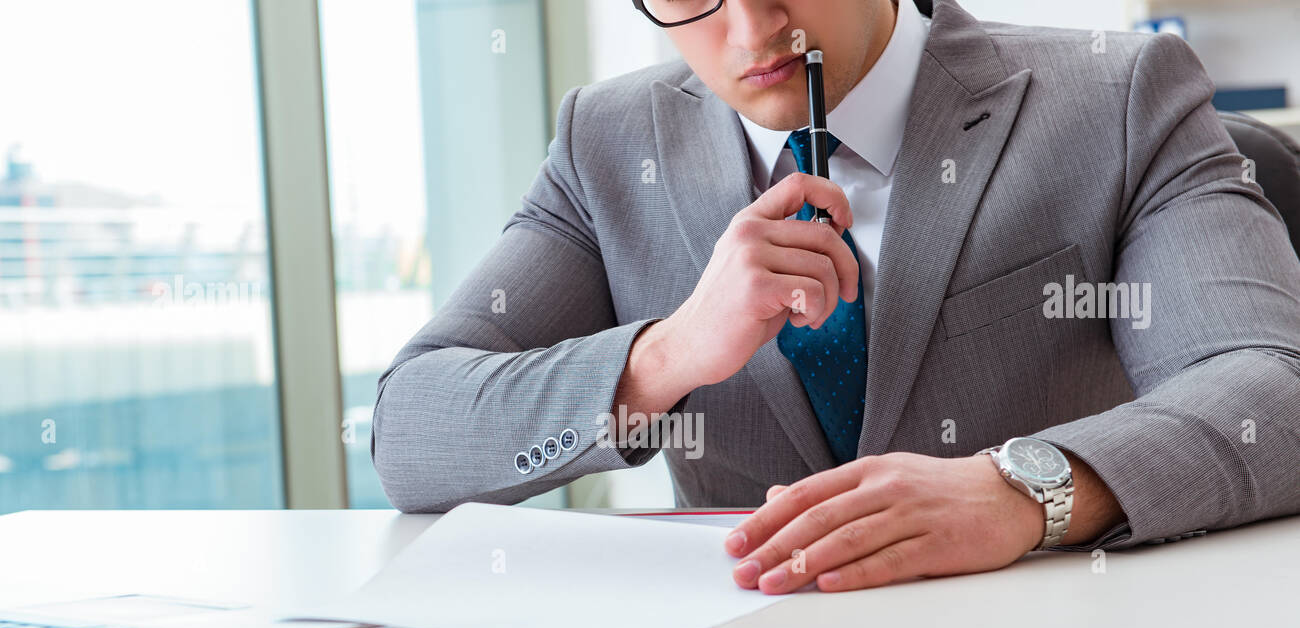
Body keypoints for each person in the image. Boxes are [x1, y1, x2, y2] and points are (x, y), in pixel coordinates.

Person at [372, 0, 1300, 595]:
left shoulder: (1119, 98)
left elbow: (1271, 387)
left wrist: (1021, 489)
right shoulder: (608, 146)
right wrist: (671, 351)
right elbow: (411, 433)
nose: (749, 27)